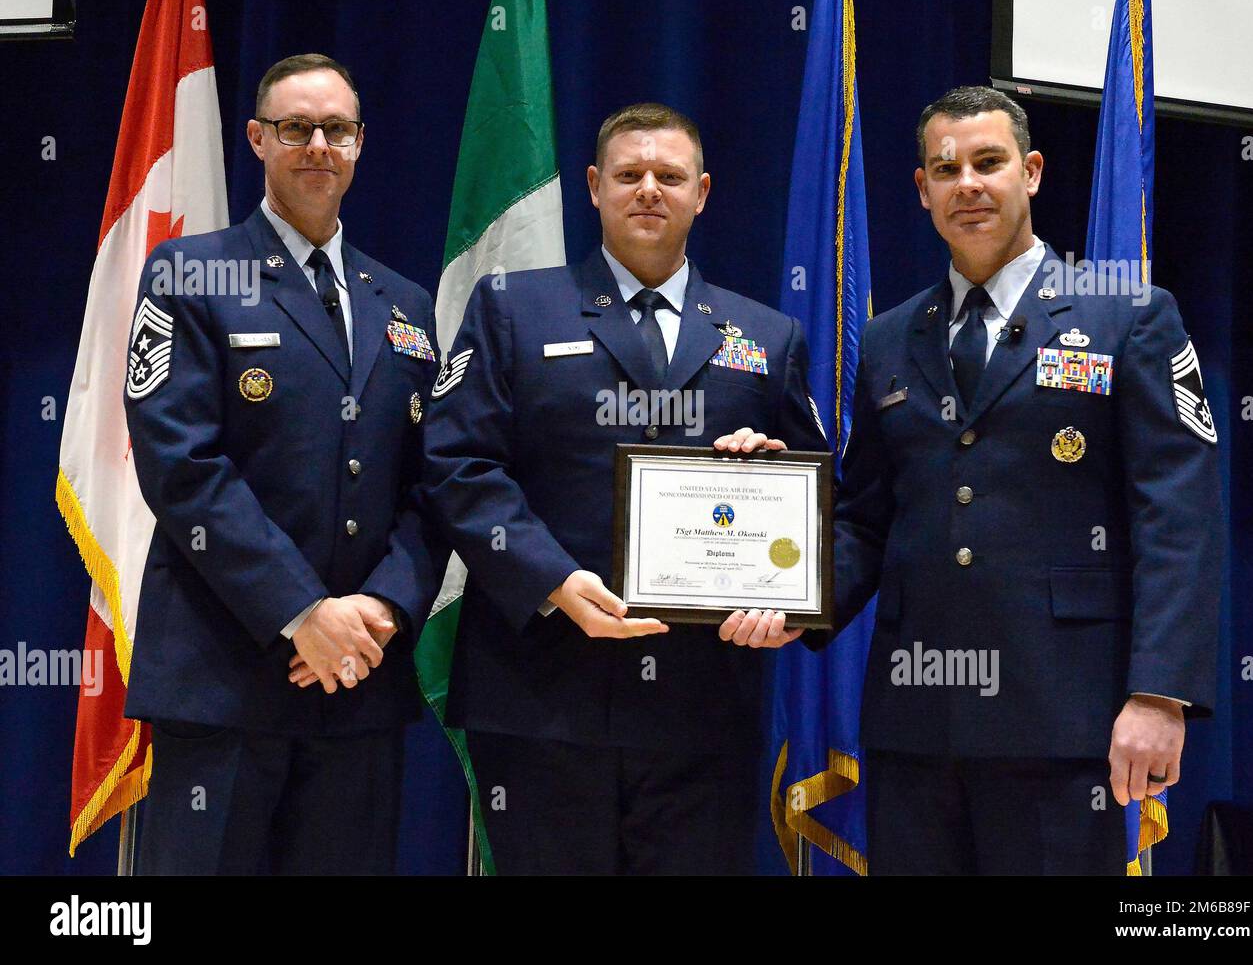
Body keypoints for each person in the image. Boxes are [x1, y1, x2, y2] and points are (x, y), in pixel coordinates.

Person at [720, 85, 1224, 874]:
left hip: (1063, 719)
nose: (969, 185)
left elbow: (1179, 518)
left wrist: (1160, 693)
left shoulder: (1129, 313)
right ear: (922, 190)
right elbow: (864, 519)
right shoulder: (890, 338)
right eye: (945, 169)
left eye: (988, 163)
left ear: (1031, 171)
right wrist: (793, 594)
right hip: (917, 724)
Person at [417, 103, 826, 875]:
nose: (649, 190)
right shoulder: (512, 308)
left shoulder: (768, 336)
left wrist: (772, 494)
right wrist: (553, 581)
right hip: (542, 692)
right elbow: (456, 461)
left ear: (701, 192)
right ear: (595, 186)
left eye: (669, 177)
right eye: (629, 175)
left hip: (704, 705)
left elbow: (816, 506)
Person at [124, 53, 445, 874]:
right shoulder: (192, 273)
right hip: (226, 675)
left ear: (360, 143)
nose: (317, 146)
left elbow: (434, 482)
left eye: (336, 129)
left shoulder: (404, 301)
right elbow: (181, 466)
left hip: (358, 682)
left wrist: (378, 610)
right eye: (296, 128)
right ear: (258, 139)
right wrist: (305, 610)